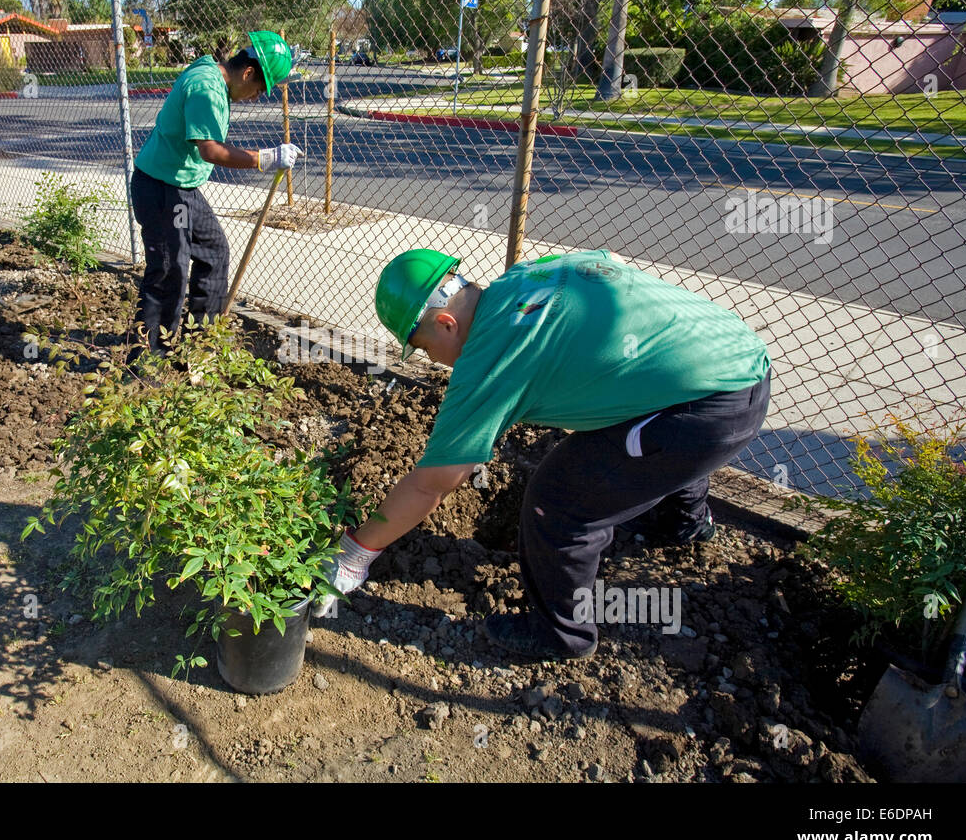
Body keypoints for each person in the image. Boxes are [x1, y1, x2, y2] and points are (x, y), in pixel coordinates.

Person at [314, 249, 772, 662]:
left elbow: (433, 480)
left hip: (709, 410)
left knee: (557, 501)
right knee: (641, 411)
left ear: (445, 324)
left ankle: (562, 634)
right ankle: (686, 524)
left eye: (424, 348)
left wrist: (357, 551)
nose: (433, 361)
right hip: (734, 360)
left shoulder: (491, 357)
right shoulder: (526, 276)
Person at [128, 30, 301, 365]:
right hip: (161, 189)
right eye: (258, 89)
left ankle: (198, 347)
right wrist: (264, 159)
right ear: (248, 72)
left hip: (182, 188)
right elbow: (210, 150)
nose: (255, 98)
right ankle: (145, 364)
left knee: (214, 252)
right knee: (168, 272)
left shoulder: (214, 78)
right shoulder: (206, 87)